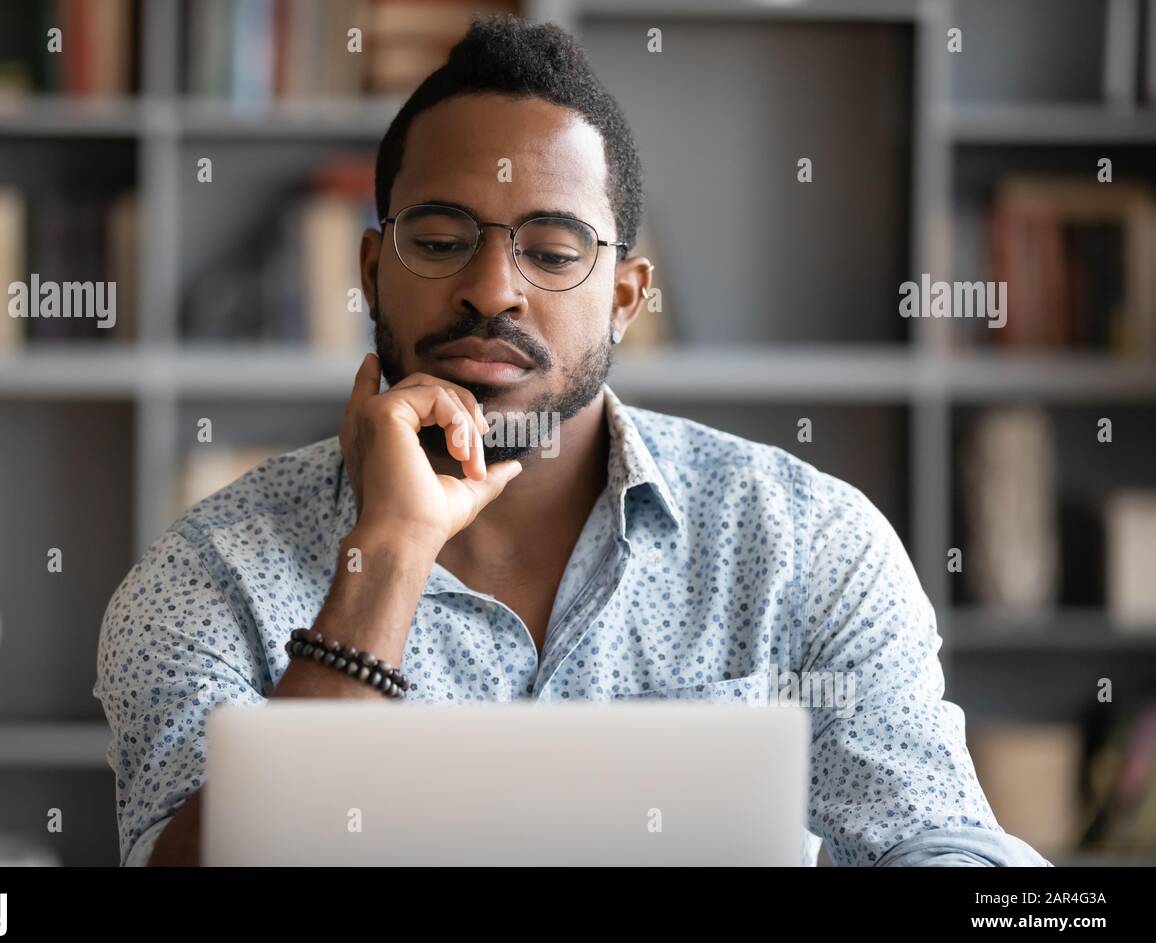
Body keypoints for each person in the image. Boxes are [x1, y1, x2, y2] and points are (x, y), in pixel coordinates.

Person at [94, 14, 1049, 868]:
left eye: (552, 252)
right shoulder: (205, 577)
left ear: (627, 298)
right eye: (439, 239)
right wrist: (381, 560)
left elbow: (947, 850)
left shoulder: (811, 544)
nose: (492, 289)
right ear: (372, 272)